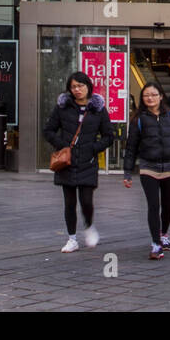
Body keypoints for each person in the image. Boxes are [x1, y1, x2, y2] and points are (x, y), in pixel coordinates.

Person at [42, 71, 114, 253]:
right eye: (73, 87)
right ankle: (72, 238)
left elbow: (109, 136)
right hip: (67, 162)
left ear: (88, 86)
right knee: (69, 202)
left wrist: (93, 148)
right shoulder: (62, 108)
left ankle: (89, 227)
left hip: (88, 162)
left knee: (87, 201)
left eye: (80, 86)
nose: (77, 90)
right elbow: (48, 130)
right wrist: (63, 145)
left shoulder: (98, 109)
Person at [122, 82, 170, 260]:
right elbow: (131, 147)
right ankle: (156, 244)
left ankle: (164, 235)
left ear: (161, 96)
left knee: (167, 205)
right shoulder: (138, 119)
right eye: (146, 95)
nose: (150, 98)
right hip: (148, 168)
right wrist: (127, 172)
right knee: (153, 206)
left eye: (154, 94)